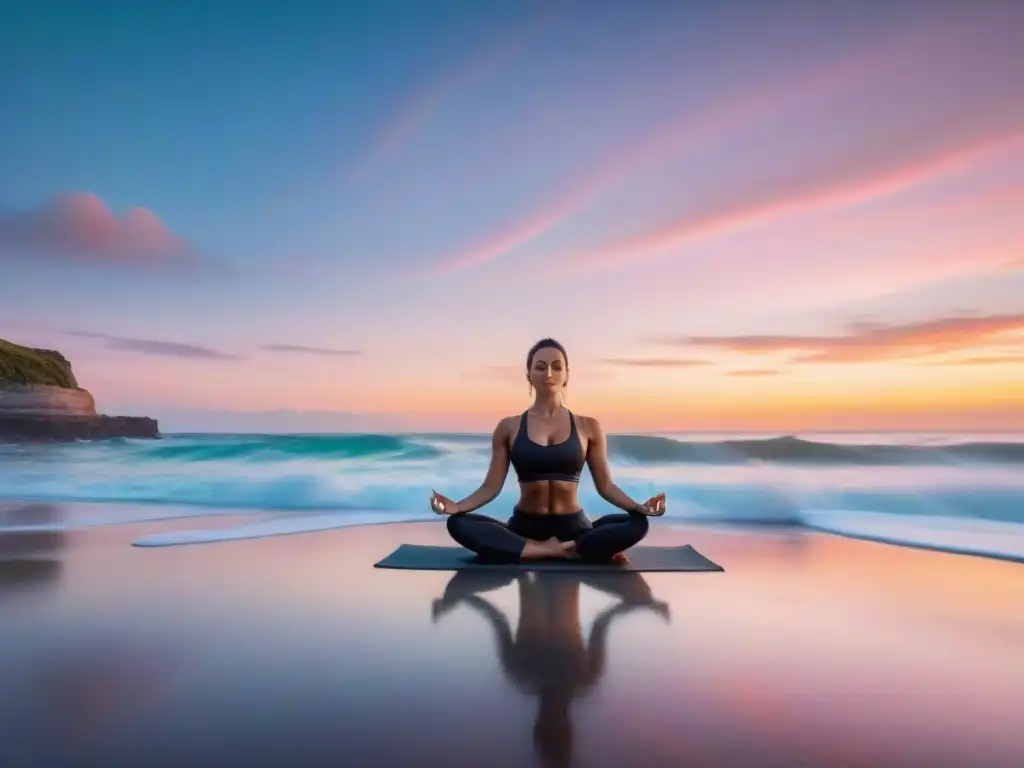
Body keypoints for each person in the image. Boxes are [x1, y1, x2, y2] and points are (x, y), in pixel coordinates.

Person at [430, 337, 666, 563]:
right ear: (529, 375)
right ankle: (560, 550)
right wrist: (457, 507)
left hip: (575, 527)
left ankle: (535, 550)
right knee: (458, 523)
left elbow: (606, 486)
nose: (549, 374)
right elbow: (491, 487)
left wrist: (639, 507)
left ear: (566, 375)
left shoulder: (588, 426)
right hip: (524, 527)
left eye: (556, 367)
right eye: (541, 367)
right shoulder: (509, 427)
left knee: (638, 523)